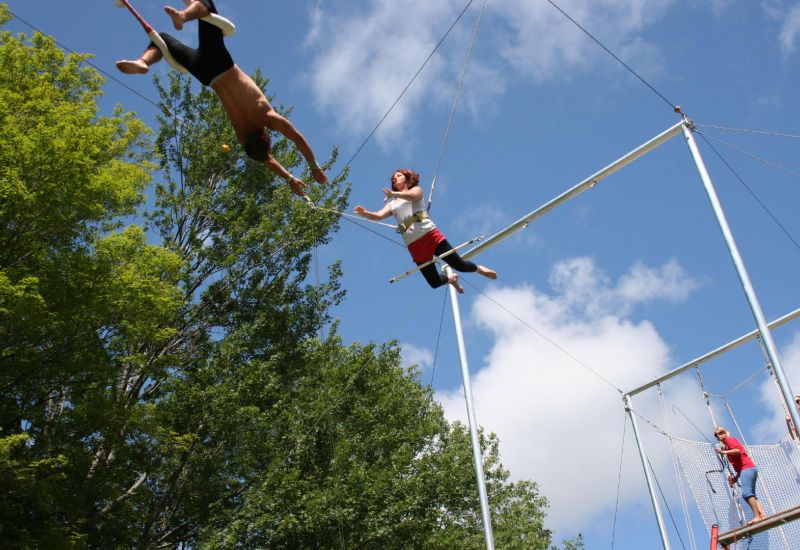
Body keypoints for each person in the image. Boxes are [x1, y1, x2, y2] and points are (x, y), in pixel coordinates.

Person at [115, 0, 327, 196]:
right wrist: (289, 179)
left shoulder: (268, 117)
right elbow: (266, 160)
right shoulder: (242, 135)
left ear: (267, 137)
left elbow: (297, 139)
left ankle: (181, 18)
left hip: (220, 62)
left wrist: (314, 167)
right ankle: (143, 62)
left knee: (206, 4)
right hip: (205, 75)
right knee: (162, 40)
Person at [354, 168, 497, 292]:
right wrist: (365, 213)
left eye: (398, 175)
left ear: (408, 178)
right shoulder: (392, 204)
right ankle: (451, 279)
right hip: (414, 245)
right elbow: (378, 215)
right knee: (434, 283)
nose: (394, 178)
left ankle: (478, 269)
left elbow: (413, 196)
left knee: (460, 265)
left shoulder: (416, 190)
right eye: (393, 178)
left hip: (430, 235)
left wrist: (395, 194)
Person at [715, 426, 767, 525]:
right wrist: (735, 478)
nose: (718, 436)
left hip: (747, 468)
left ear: (725, 433)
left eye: (720, 433)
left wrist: (723, 452)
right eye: (716, 435)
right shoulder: (727, 445)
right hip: (748, 469)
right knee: (752, 495)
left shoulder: (729, 440)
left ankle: (757, 517)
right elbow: (739, 465)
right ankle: (763, 516)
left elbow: (738, 451)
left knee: (746, 494)